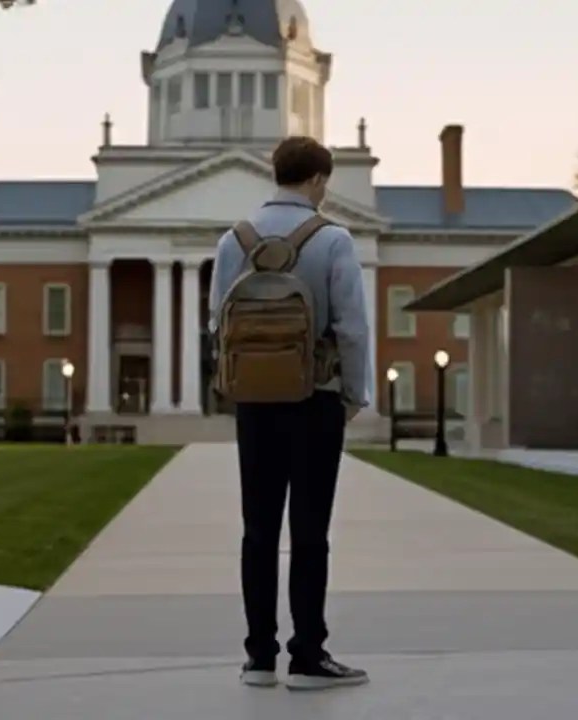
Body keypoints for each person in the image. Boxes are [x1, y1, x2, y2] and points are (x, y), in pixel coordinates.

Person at [208, 136, 371, 691]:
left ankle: (258, 658)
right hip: (315, 399)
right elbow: (351, 327)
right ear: (319, 180)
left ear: (275, 174)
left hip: (254, 402)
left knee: (257, 531)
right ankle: (307, 655)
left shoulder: (235, 239)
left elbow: (216, 322)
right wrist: (354, 395)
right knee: (309, 532)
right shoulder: (333, 239)